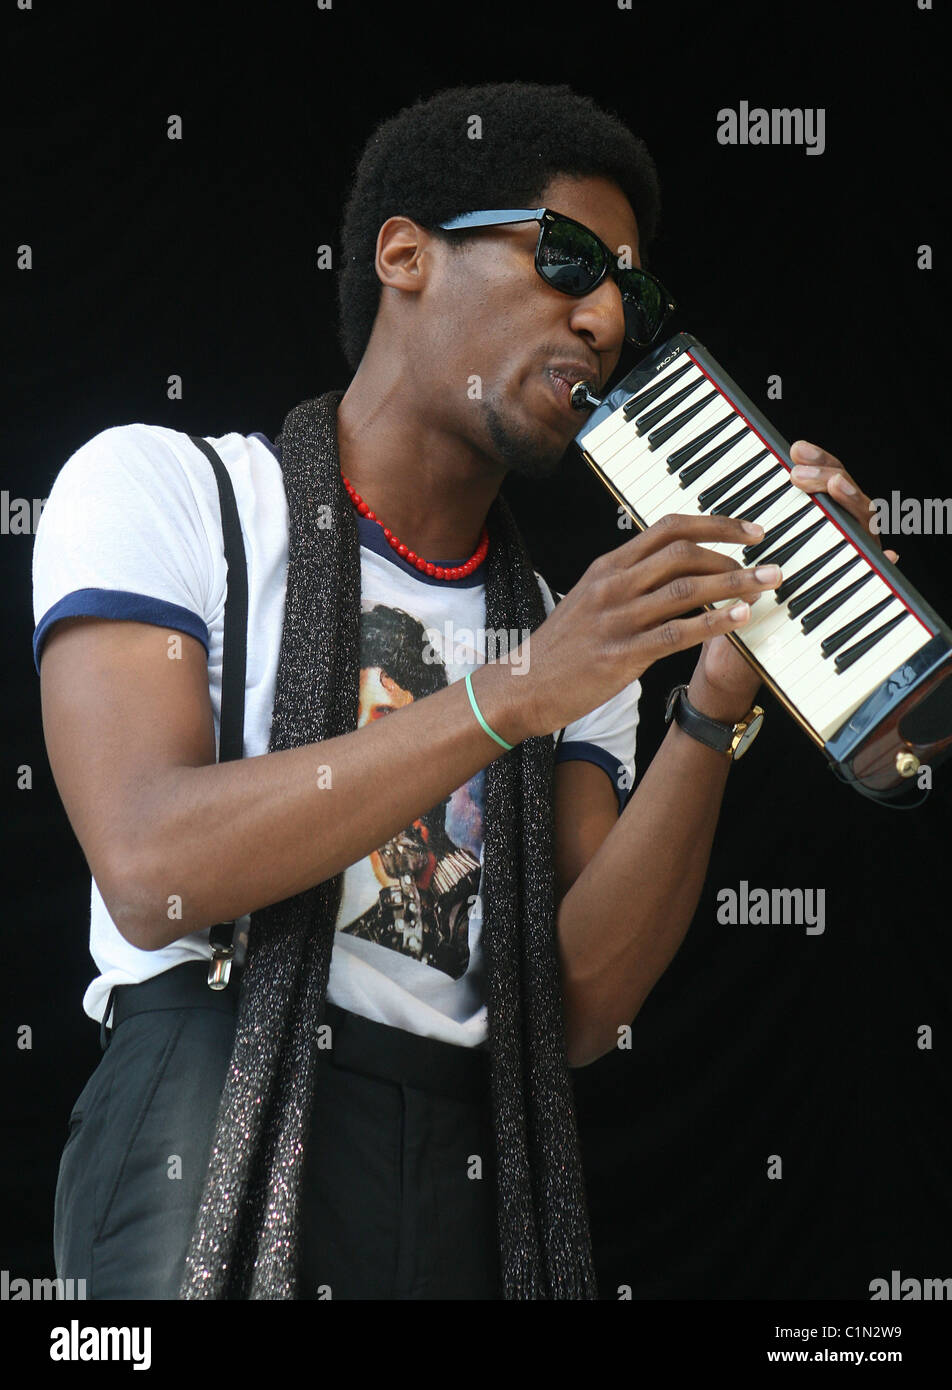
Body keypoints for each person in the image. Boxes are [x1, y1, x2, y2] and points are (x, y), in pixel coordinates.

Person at [32, 80, 892, 1301]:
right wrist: (509, 699)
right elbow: (147, 861)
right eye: (567, 260)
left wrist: (715, 694)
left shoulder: (565, 630)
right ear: (406, 256)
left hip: (464, 1161)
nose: (606, 316)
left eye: (633, 297)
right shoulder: (169, 491)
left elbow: (576, 1008)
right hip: (200, 1112)